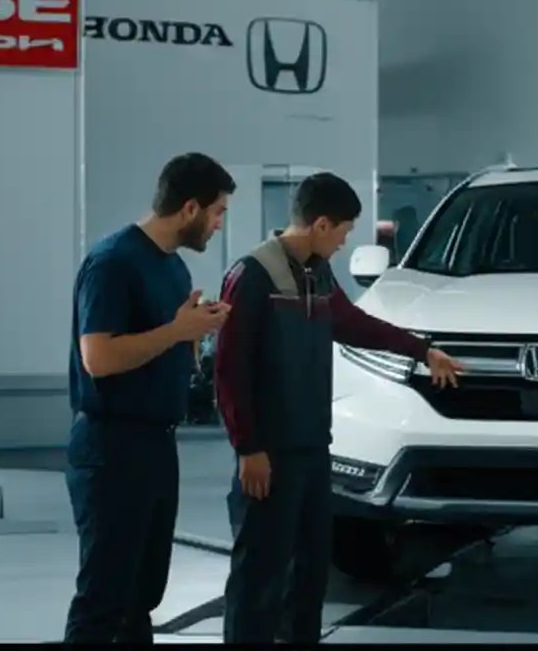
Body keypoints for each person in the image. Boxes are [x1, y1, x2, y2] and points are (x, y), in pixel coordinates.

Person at [214, 172, 463, 644]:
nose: (345, 242)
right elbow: (230, 369)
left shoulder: (317, 273)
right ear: (321, 224)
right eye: (345, 232)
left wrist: (422, 351)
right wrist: (248, 447)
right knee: (261, 575)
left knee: (309, 573)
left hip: (312, 450)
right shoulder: (252, 277)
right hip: (270, 454)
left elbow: (353, 324)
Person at [63, 152, 236, 644]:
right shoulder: (113, 262)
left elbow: (163, 341)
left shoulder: (174, 271)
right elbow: (98, 357)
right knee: (105, 598)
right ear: (189, 208)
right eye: (217, 211)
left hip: (157, 445)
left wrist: (194, 333)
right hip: (111, 447)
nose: (219, 224)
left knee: (143, 596)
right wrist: (177, 329)